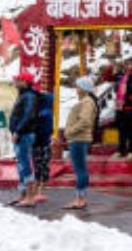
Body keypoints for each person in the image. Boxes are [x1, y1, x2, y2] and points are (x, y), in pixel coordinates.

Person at [63, 76, 98, 210]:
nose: (76, 89)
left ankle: (80, 199)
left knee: (80, 169)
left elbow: (85, 121)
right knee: (80, 169)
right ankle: (80, 197)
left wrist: (70, 132)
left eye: (78, 86)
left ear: (83, 88)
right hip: (78, 138)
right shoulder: (85, 101)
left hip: (79, 138)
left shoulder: (87, 102)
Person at [8, 72, 40, 206]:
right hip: (21, 134)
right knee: (21, 165)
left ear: (25, 82)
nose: (15, 82)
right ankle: (22, 194)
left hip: (24, 134)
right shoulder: (23, 95)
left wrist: (18, 132)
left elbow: (28, 116)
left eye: (18, 80)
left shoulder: (30, 96)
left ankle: (30, 197)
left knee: (25, 165)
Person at [113, 58, 132, 158]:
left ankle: (131, 150)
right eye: (126, 64)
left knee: (131, 130)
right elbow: (107, 76)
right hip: (120, 107)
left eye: (130, 64)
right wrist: (111, 66)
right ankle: (121, 150)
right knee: (121, 131)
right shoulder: (120, 76)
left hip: (131, 107)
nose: (128, 66)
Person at [29, 88, 55, 205]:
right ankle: (37, 190)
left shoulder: (45, 113)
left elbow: (44, 129)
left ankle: (41, 190)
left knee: (42, 167)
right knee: (39, 166)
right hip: (39, 143)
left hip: (42, 143)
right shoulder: (42, 111)